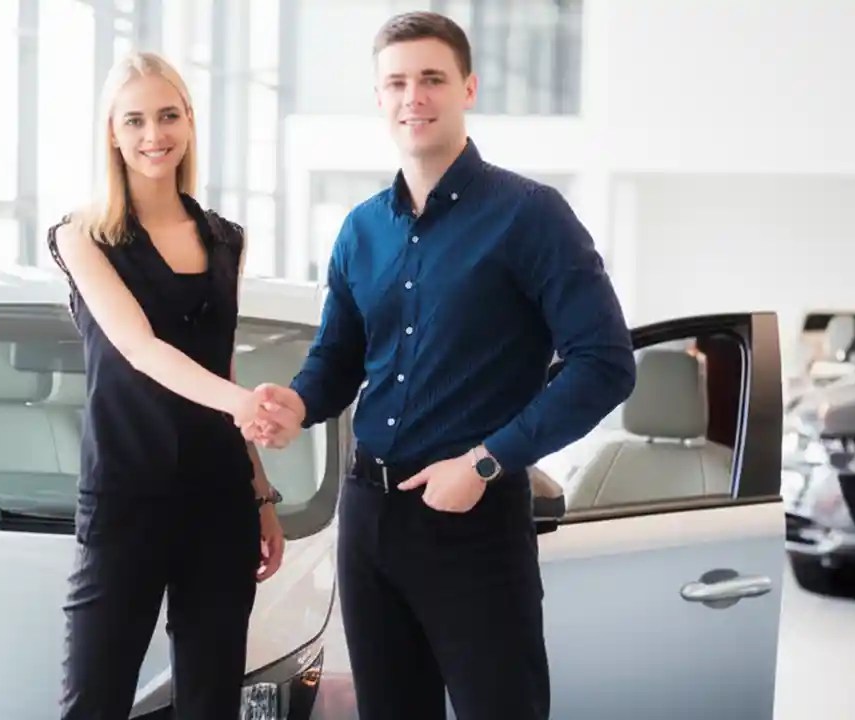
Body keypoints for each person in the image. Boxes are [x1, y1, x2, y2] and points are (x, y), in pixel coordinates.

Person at [247, 11, 636, 720]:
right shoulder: (361, 229)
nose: (413, 97)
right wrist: (299, 405)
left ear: (468, 88)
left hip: (475, 523)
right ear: (378, 98)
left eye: (431, 79)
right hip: (367, 520)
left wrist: (486, 462)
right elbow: (339, 358)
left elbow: (606, 364)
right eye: (396, 82)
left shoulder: (531, 216)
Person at [47, 51, 286, 720]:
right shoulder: (83, 237)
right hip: (127, 497)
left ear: (189, 123)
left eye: (169, 115)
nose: (155, 135)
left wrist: (259, 491)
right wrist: (244, 403)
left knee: (211, 703)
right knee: (93, 701)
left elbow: (223, 368)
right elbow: (139, 347)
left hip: (218, 500)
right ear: (113, 134)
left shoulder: (226, 241)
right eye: (136, 120)